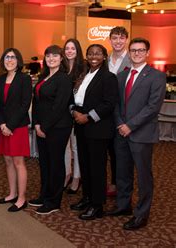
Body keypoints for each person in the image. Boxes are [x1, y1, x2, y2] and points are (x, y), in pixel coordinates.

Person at [108, 38, 166, 230]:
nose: (137, 53)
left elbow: (153, 107)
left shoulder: (156, 76)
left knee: (143, 176)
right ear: (129, 52)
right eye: (133, 50)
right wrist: (120, 124)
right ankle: (124, 206)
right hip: (121, 133)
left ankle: (142, 214)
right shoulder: (121, 77)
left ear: (147, 53)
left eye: (141, 50)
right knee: (122, 174)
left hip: (141, 134)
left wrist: (130, 126)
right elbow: (116, 104)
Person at [69, 44, 118, 220]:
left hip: (97, 128)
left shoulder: (108, 77)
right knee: (85, 165)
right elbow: (75, 98)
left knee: (97, 168)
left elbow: (109, 104)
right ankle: (87, 198)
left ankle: (97, 205)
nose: (93, 56)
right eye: (90, 54)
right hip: (81, 126)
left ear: (104, 56)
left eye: (97, 53)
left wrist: (88, 117)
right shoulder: (84, 75)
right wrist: (73, 111)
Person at [30, 45, 72, 215]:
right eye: (48, 56)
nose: (51, 58)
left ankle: (54, 201)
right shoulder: (44, 76)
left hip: (58, 128)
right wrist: (37, 124)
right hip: (42, 127)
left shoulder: (64, 79)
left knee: (55, 164)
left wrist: (44, 126)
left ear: (61, 58)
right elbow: (38, 103)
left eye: (55, 55)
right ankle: (44, 195)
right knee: (45, 163)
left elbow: (59, 106)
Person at [0, 48, 32, 212]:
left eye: (13, 57)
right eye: (7, 57)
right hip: (4, 127)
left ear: (18, 60)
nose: (9, 60)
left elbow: (25, 105)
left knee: (18, 162)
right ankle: (12, 194)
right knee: (8, 161)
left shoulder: (25, 79)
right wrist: (2, 124)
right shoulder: (0, 79)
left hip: (18, 126)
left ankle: (22, 198)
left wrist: (10, 125)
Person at [106, 26, 132, 197]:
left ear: (126, 40)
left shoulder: (132, 59)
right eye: (115, 38)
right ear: (110, 40)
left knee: (122, 153)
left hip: (124, 113)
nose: (118, 41)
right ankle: (113, 182)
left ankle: (120, 187)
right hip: (106, 113)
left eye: (121, 38)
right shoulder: (105, 59)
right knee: (108, 150)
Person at [63, 38, 86, 194]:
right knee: (64, 147)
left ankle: (77, 177)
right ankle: (67, 173)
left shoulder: (83, 68)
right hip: (62, 113)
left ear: (77, 50)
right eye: (67, 48)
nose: (69, 51)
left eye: (73, 48)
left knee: (76, 147)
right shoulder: (61, 68)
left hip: (76, 112)